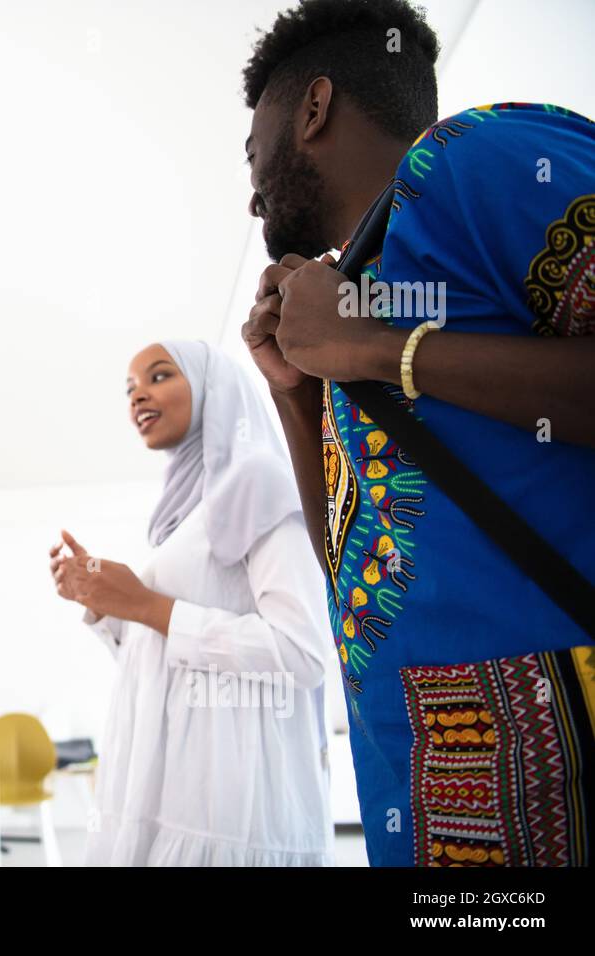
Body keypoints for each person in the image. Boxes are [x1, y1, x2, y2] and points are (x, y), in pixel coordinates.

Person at [241, 0, 595, 866]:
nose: (250, 190)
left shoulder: (472, 156)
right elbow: (355, 573)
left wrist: (367, 345)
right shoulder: (349, 289)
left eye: (254, 152)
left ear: (315, 107)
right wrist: (298, 391)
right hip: (426, 779)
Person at [50, 340, 334, 866]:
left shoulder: (258, 481)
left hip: (230, 799)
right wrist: (101, 601)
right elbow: (162, 659)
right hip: (162, 784)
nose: (138, 396)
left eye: (158, 377)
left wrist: (143, 604)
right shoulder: (179, 517)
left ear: (212, 388)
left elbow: (303, 652)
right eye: (129, 387)